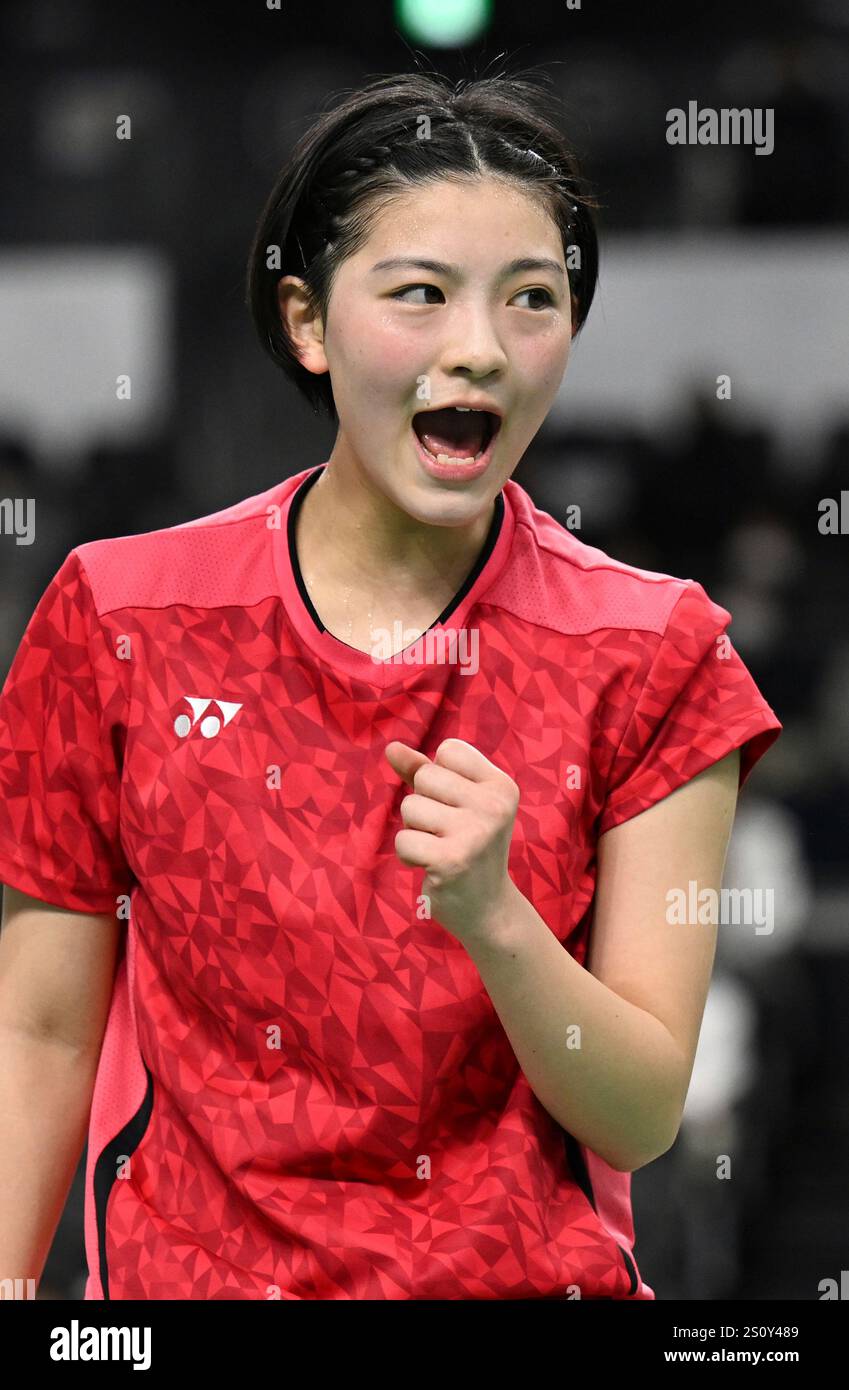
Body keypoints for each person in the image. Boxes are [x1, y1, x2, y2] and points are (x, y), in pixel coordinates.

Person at [0, 67, 782, 1301]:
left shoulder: (657, 651)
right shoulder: (120, 616)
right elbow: (39, 1026)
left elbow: (638, 1113)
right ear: (308, 322)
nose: (479, 348)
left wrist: (498, 917)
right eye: (419, 295)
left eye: (535, 299)